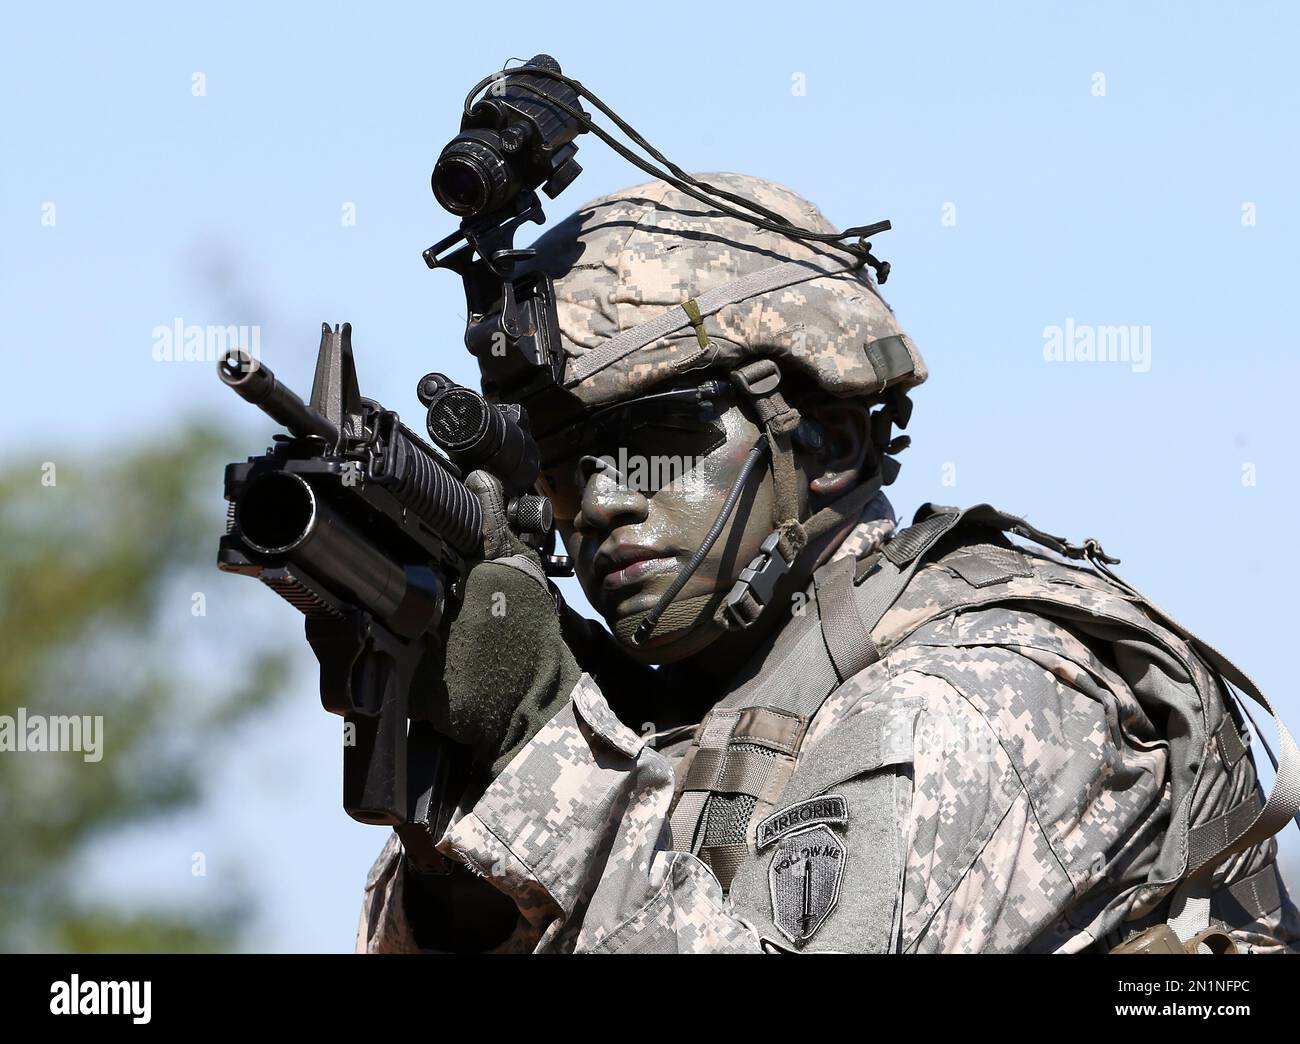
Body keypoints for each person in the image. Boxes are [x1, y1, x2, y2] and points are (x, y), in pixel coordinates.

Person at [357, 173, 1299, 953]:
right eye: (564, 466)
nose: (602, 502)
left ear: (830, 445)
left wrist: (540, 747)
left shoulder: (967, 694)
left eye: (661, 440)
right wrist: (457, 839)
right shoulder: (684, 717)